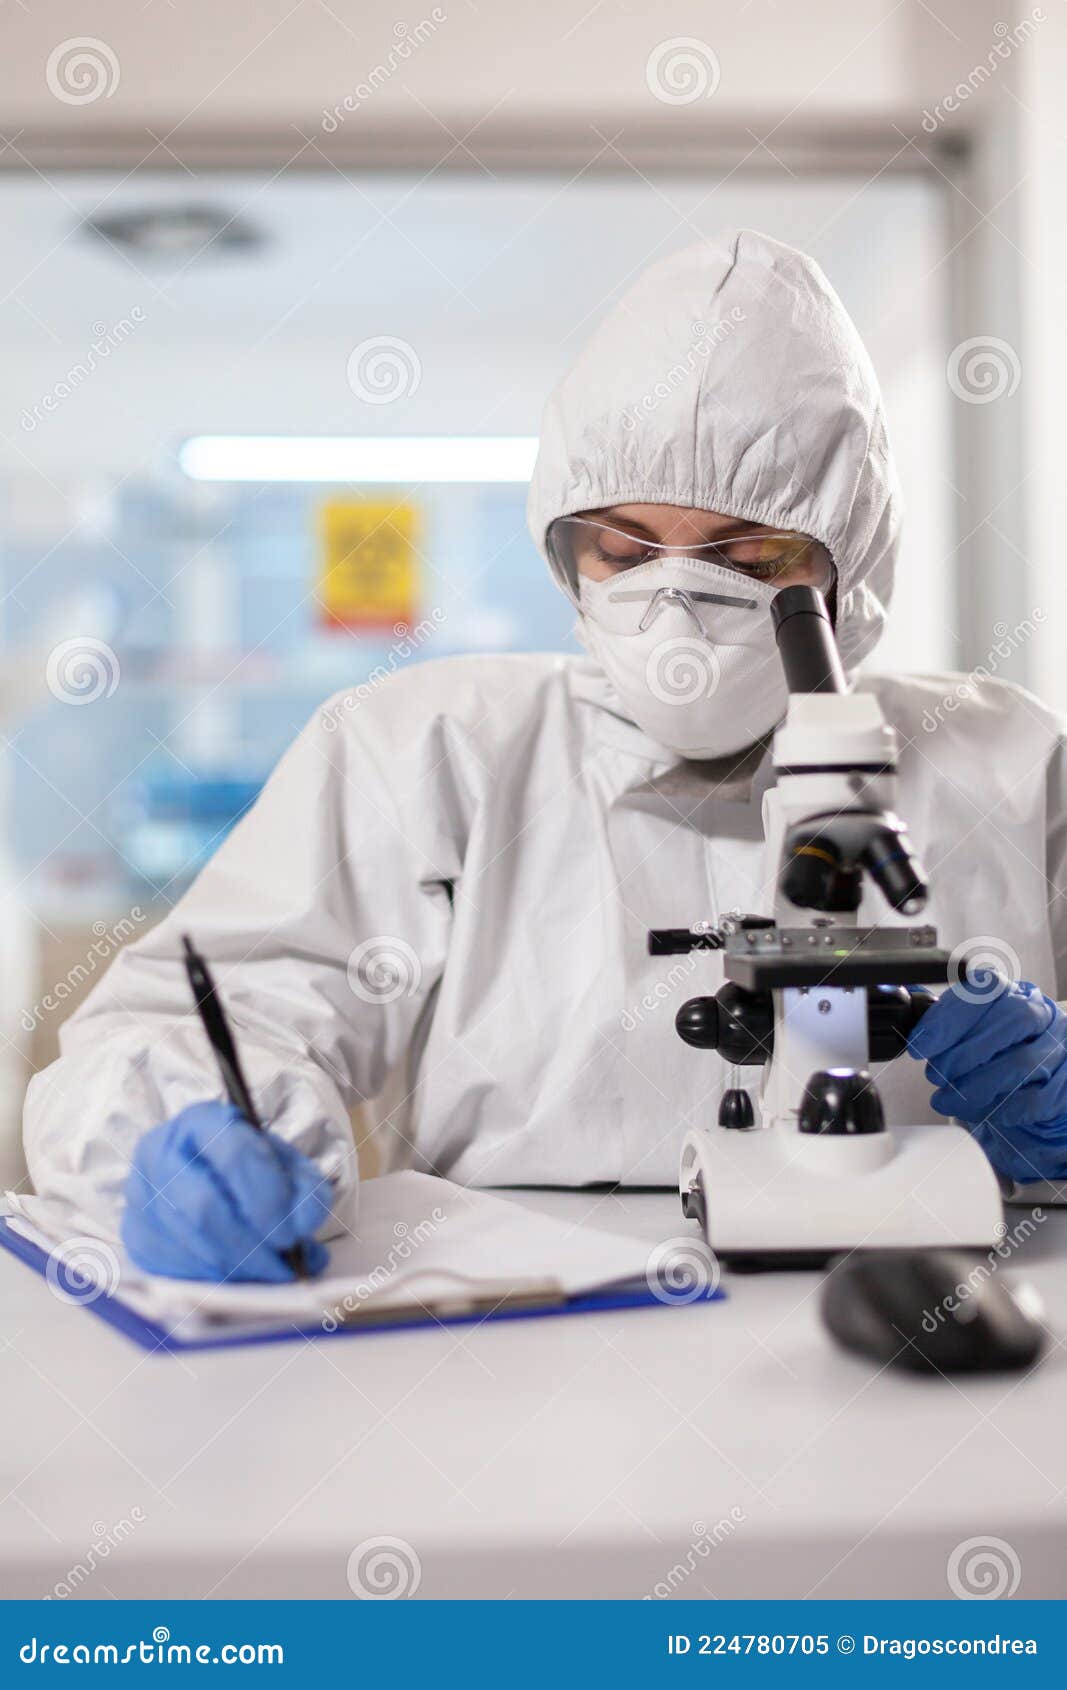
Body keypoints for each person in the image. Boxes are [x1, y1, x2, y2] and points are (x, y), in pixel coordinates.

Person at [21, 230, 1067, 1282]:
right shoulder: (429, 747)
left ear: (853, 560)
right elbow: (198, 1022)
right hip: (516, 1332)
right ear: (563, 547)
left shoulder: (1010, 761)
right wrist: (185, 1139)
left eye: (749, 558)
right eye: (621, 547)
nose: (674, 609)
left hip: (934, 1312)